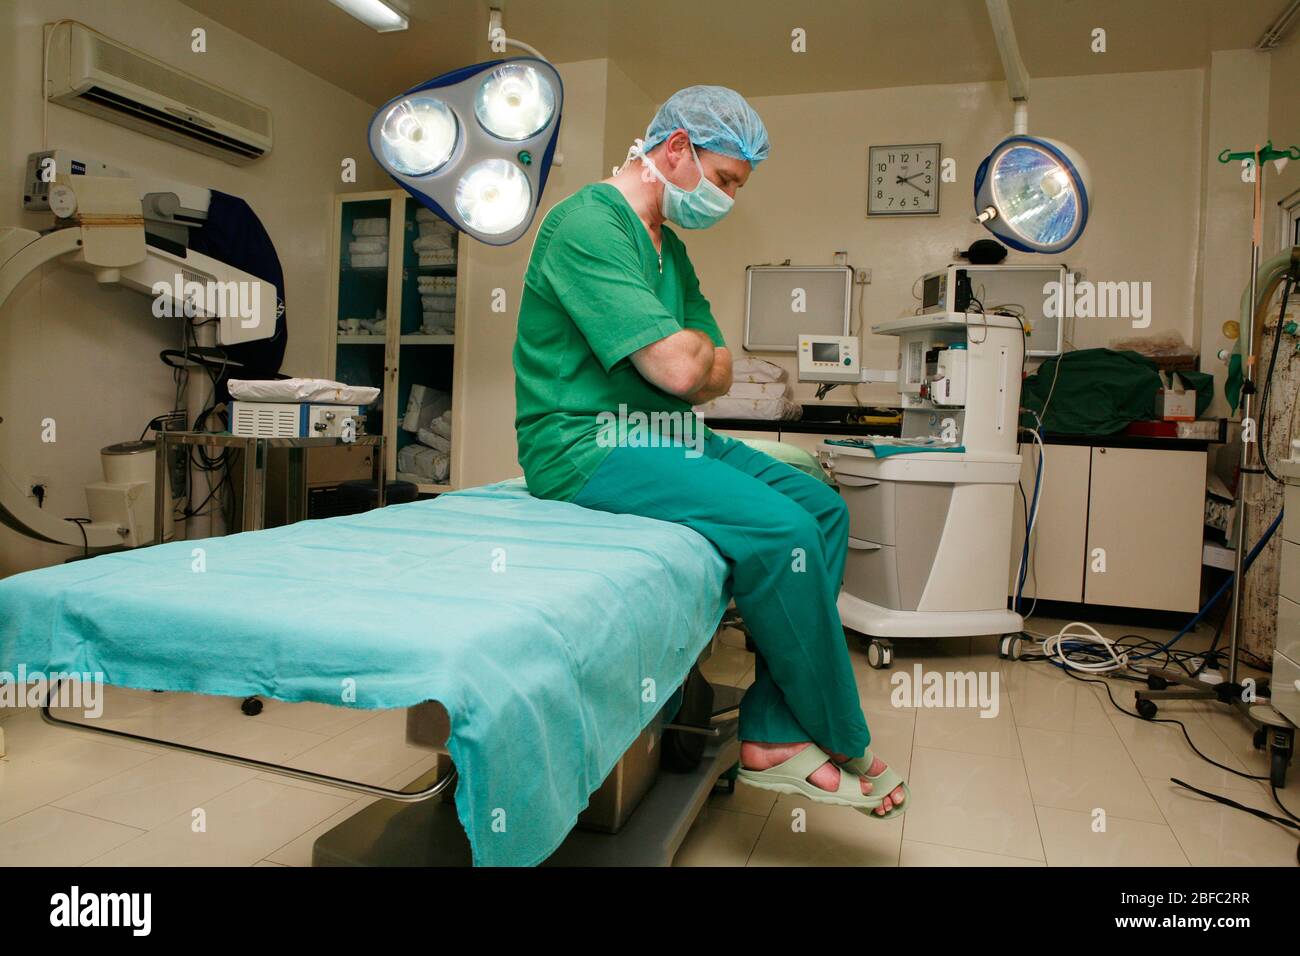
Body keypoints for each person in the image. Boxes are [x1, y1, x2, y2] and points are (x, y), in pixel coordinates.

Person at [513, 85, 908, 816]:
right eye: (725, 180)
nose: (726, 198)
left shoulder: (673, 250)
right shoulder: (585, 226)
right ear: (674, 150)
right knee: (780, 530)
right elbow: (683, 370)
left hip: (668, 434)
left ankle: (772, 727)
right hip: (584, 444)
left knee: (821, 510)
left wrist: (689, 358)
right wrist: (686, 358)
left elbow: (712, 369)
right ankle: (827, 732)